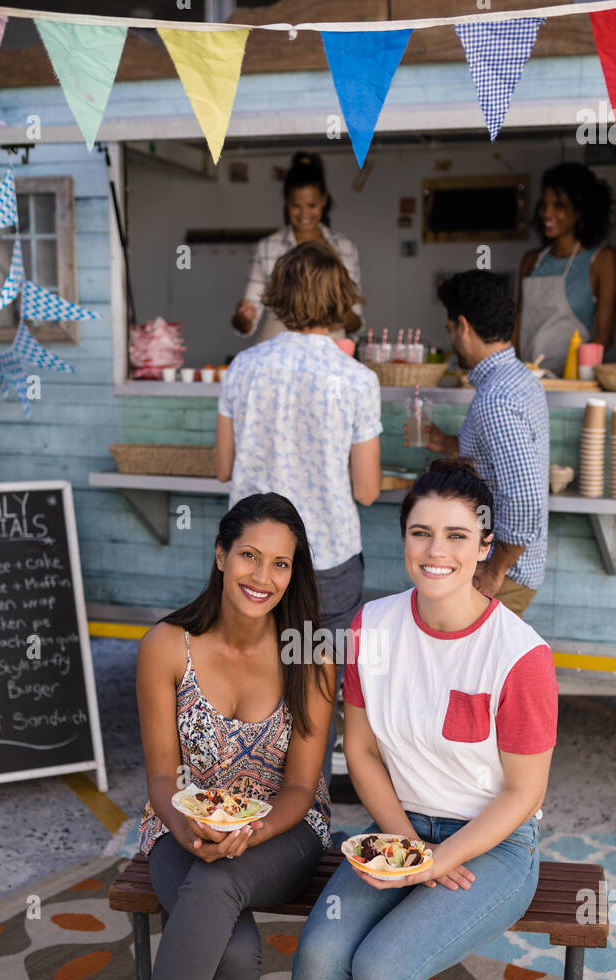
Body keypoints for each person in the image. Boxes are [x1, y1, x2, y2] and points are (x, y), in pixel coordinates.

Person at [286, 458, 558, 980]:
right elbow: (362, 754)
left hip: (495, 849)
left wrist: (442, 861)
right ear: (402, 537)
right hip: (397, 828)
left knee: (382, 970)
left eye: (455, 535)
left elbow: (521, 794)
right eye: (419, 532)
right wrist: (406, 846)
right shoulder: (372, 627)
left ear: (483, 547)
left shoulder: (519, 655)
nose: (435, 550)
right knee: (318, 954)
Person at [58, 494, 335, 980]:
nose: (263, 575)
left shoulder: (310, 656)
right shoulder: (166, 646)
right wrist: (192, 829)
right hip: (182, 829)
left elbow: (303, 788)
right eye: (250, 555)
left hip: (283, 836)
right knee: (235, 950)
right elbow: (159, 776)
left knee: (218, 894)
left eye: (281, 563)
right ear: (220, 555)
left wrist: (250, 833)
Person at [217, 240, 382, 784]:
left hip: (251, 558)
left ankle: (251, 781)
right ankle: (308, 795)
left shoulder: (242, 367)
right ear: (339, 301)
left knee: (257, 664)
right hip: (327, 557)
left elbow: (223, 468)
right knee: (317, 675)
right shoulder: (356, 380)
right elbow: (366, 489)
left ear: (277, 298)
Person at [422, 270, 548, 617]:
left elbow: (523, 498)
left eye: (449, 330)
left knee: (471, 670)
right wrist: (448, 443)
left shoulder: (496, 397)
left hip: (502, 572)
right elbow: (498, 465)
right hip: (513, 567)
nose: (451, 340)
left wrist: (494, 570)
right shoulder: (519, 378)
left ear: (463, 326)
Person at [231, 150, 364, 344]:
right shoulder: (268, 248)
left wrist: (342, 313)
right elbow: (247, 322)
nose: (304, 214)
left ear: (324, 200)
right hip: (277, 349)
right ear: (286, 202)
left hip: (329, 349)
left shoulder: (345, 248)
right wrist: (244, 316)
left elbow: (356, 324)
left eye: (312, 205)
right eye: (296, 206)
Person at [515, 162, 616, 377]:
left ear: (580, 210)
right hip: (526, 375)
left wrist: (574, 376)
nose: (547, 213)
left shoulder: (602, 260)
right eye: (544, 205)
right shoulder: (532, 260)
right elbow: (517, 324)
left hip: (570, 380)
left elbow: (604, 337)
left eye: (558, 205)